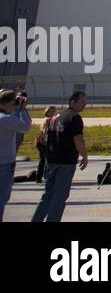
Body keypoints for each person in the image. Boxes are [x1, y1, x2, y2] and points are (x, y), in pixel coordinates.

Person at [33, 90, 88, 223]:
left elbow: (47, 137)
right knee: (60, 196)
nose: (84, 105)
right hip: (66, 161)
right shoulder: (74, 117)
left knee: (48, 194)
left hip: (51, 159)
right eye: (81, 102)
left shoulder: (56, 116)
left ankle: (37, 219)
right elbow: (78, 139)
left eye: (85, 102)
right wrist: (84, 155)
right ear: (72, 101)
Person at [0, 89, 32, 221]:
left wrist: (17, 109)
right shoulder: (7, 119)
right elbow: (25, 126)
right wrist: (23, 110)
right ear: (8, 103)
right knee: (3, 196)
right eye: (13, 103)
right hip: (5, 162)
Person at [34, 104, 57, 183]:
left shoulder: (44, 119)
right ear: (48, 112)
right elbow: (45, 131)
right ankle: (47, 175)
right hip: (43, 141)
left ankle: (38, 177)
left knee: (42, 160)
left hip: (39, 141)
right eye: (53, 111)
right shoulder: (48, 120)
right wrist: (44, 139)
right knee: (48, 159)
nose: (54, 113)